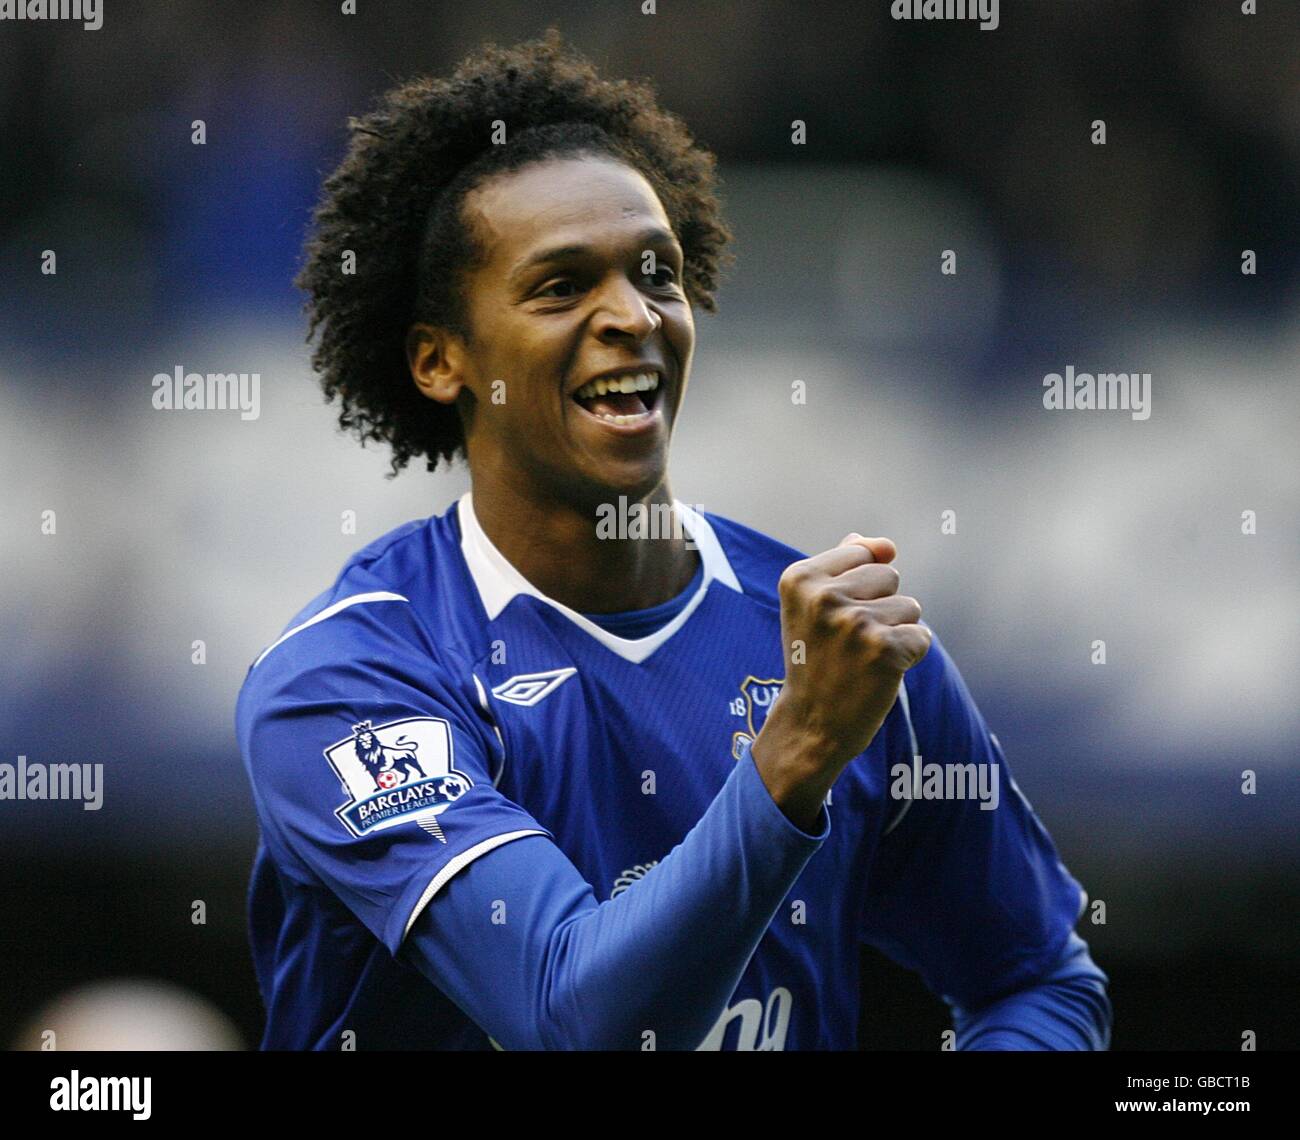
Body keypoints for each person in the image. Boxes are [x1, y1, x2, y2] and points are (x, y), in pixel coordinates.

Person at [236, 29, 1111, 1051]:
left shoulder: (835, 649)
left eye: (656, 273)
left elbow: (1038, 976)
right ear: (441, 361)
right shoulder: (351, 684)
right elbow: (573, 1018)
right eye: (561, 287)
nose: (633, 316)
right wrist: (794, 757)